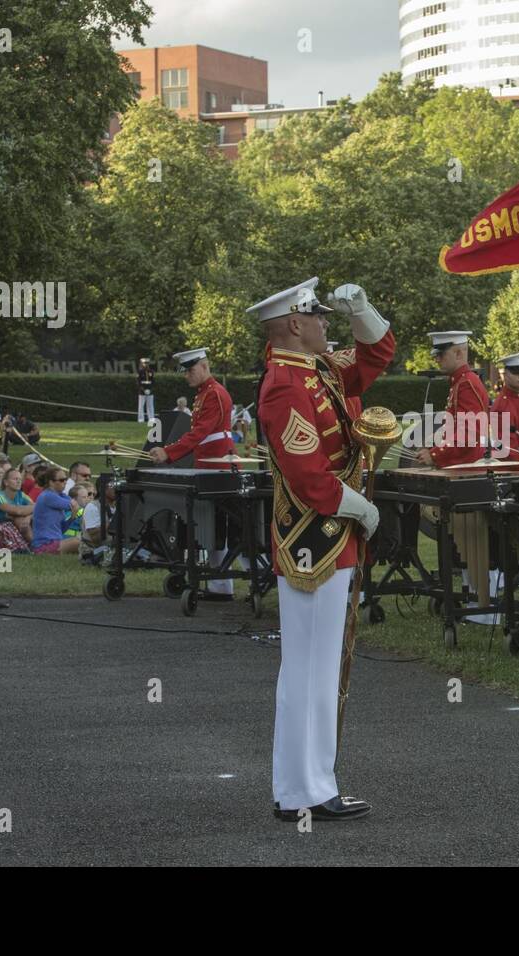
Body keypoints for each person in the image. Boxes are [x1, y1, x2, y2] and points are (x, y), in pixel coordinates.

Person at [250, 276, 394, 823]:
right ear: (293, 323)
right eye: (319, 314)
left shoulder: (319, 370)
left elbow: (378, 354)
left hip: (331, 537)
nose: (325, 322)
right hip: (314, 539)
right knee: (309, 669)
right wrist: (359, 507)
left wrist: (364, 308)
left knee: (316, 666)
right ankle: (305, 788)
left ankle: (307, 785)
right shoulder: (284, 384)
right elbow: (309, 476)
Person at [148, 347, 236, 597]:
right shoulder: (203, 394)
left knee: (222, 528)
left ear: (205, 366)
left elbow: (201, 433)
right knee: (213, 527)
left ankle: (222, 584)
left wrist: (169, 452)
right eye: (185, 371)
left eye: (190, 370)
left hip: (218, 466)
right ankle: (219, 586)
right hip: (207, 464)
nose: (186, 375)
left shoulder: (215, 393)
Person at [415, 332, 488, 468]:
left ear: (458, 354)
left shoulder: (466, 384)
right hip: (459, 468)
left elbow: (468, 434)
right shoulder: (460, 382)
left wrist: (435, 455)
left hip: (465, 471)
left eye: (441, 354)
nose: (436, 359)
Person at [31, 466, 80, 554]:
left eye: (66, 479)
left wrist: (72, 517)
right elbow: (73, 504)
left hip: (55, 541)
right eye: (61, 480)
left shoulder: (60, 495)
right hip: (44, 545)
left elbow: (61, 530)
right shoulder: (48, 496)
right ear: (51, 482)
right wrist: (74, 506)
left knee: (81, 541)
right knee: (78, 542)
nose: (65, 482)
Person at [0, 467, 33, 551]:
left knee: (27, 518)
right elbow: (18, 511)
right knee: (18, 518)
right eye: (15, 479)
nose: (18, 481)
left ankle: (37, 543)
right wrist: (32, 508)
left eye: (20, 479)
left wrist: (28, 517)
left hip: (12, 526)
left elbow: (37, 507)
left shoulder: (21, 495)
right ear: (6, 482)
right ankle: (35, 545)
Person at [136, 358, 156, 424]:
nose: (146, 364)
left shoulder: (151, 371)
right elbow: (139, 382)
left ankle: (151, 419)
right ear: (142, 364)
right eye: (144, 363)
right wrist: (144, 390)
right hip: (142, 391)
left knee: (150, 406)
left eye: (147, 363)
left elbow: (153, 382)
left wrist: (150, 390)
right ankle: (141, 419)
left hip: (150, 390)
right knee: (141, 406)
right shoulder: (140, 372)